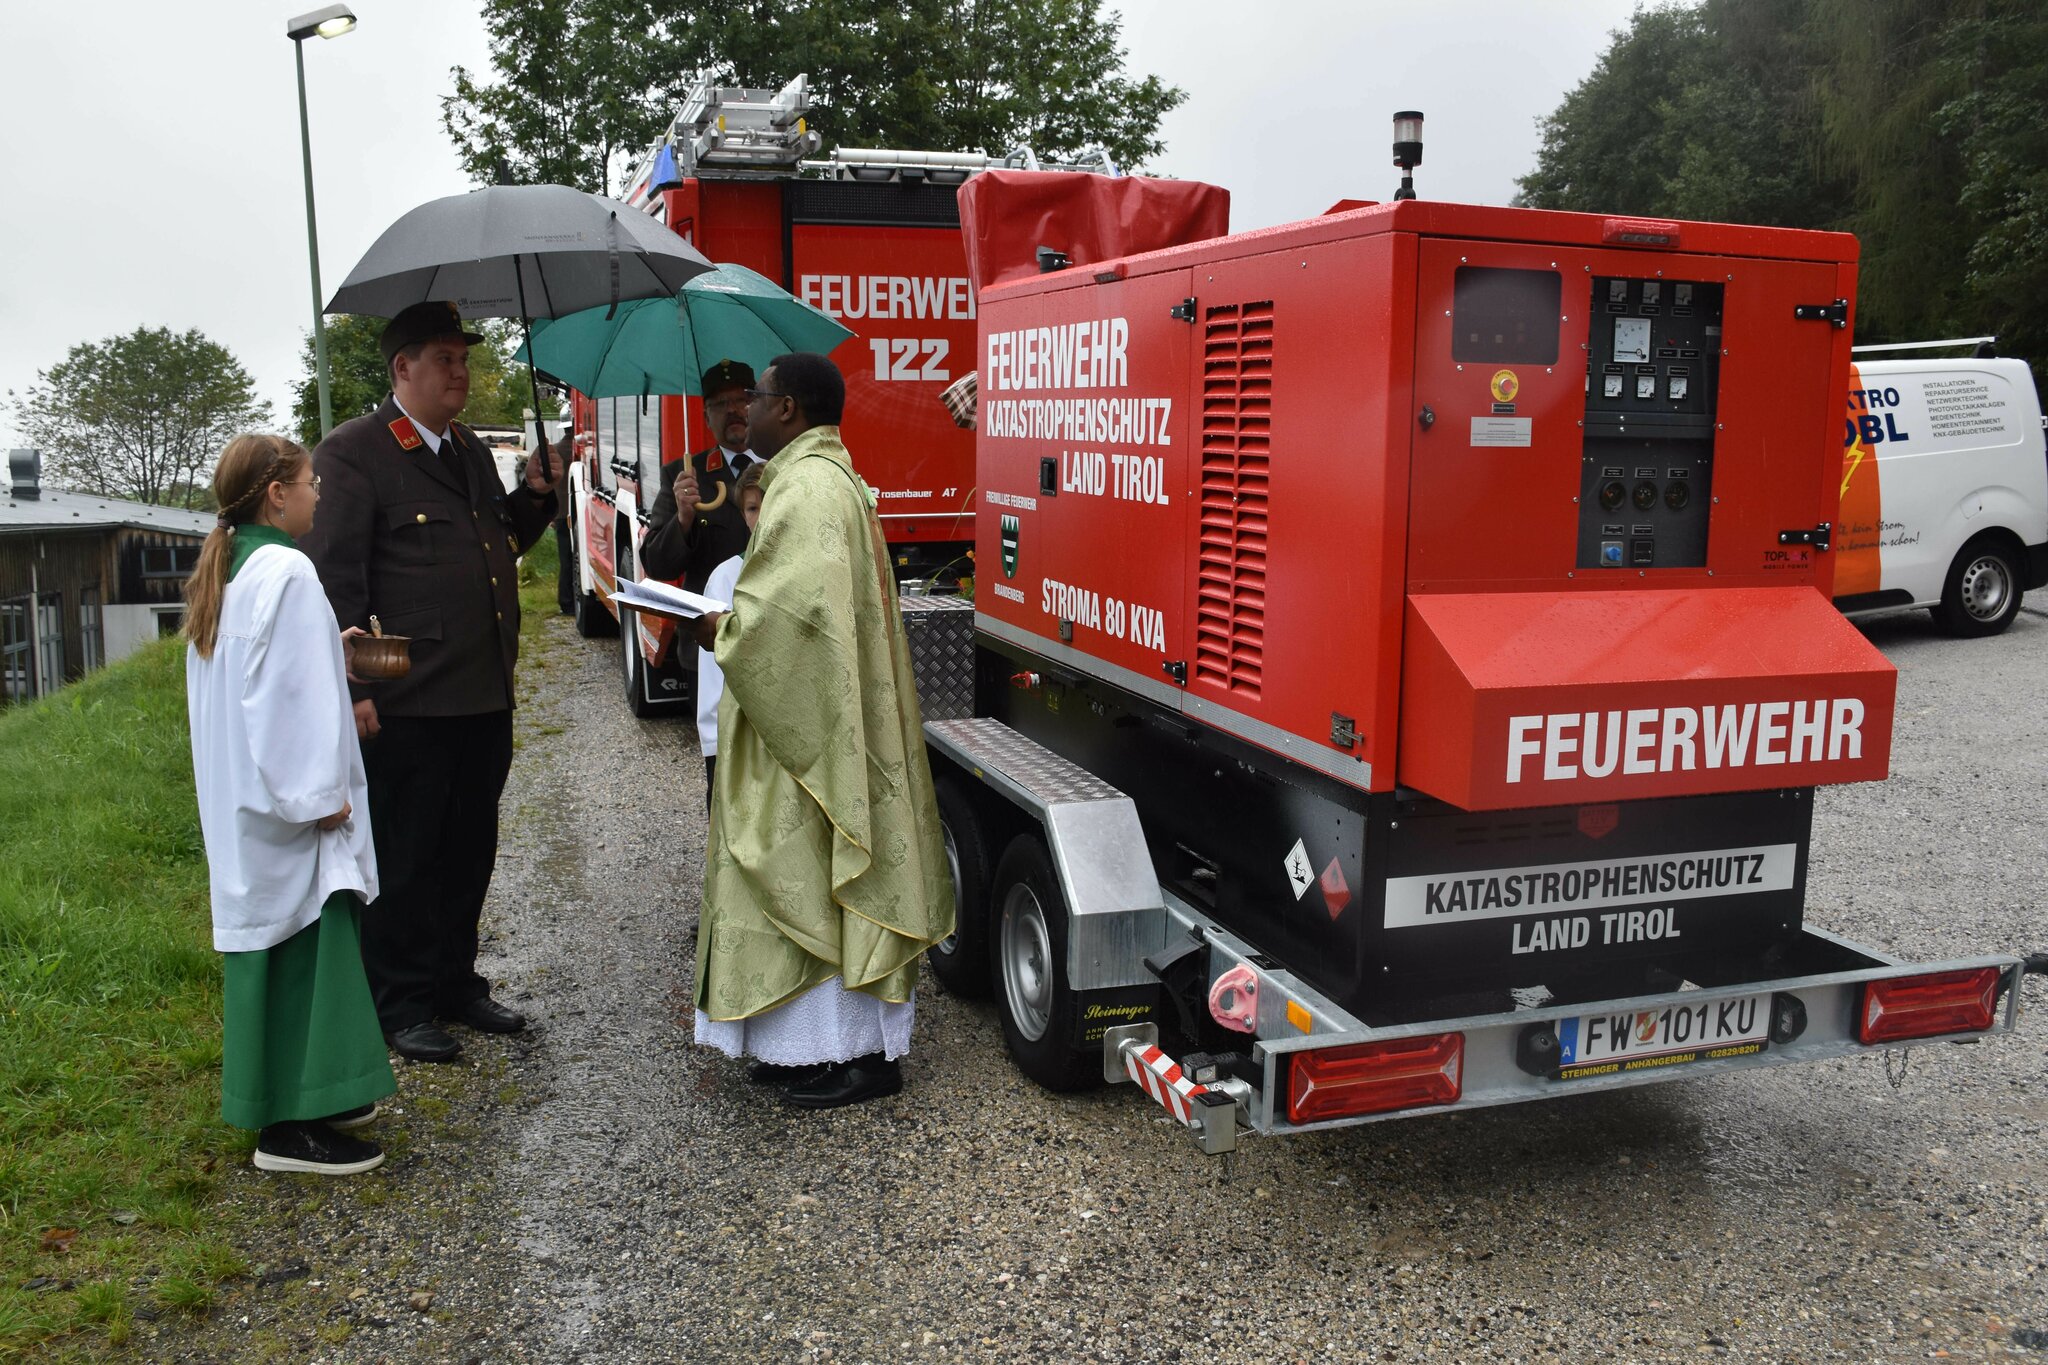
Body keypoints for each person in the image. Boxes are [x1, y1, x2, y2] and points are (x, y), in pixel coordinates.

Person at [687, 353, 954, 1109]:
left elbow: (793, 625)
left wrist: (722, 631)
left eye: (758, 399)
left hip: (809, 732)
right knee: (814, 869)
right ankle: (805, 1049)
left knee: (809, 866)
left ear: (791, 409)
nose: (747, 412)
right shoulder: (825, 478)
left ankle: (856, 1056)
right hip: (821, 715)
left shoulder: (804, 489)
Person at [299, 300, 563, 1063]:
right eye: (444, 357)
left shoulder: (471, 452)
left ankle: (455, 980)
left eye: (464, 357)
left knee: (469, 846)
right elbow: (336, 579)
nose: (460, 370)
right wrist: (354, 691)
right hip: (409, 699)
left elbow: (499, 542)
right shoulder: (355, 452)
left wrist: (537, 497)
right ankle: (402, 1001)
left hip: (482, 691)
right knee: (407, 855)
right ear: (401, 369)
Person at [184, 433, 396, 1175]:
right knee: (307, 947)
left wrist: (327, 654)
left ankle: (307, 1091)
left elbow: (257, 681)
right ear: (276, 492)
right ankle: (291, 1125)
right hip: (288, 805)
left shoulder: (233, 571)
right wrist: (319, 796)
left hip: (243, 799)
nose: (318, 494)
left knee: (269, 943)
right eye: (309, 482)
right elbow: (285, 702)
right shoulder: (290, 570)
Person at [639, 360, 759, 593]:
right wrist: (683, 519)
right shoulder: (683, 476)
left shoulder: (783, 466)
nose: (732, 410)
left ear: (756, 407)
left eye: (741, 401)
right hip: (709, 624)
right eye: (721, 404)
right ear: (706, 417)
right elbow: (657, 566)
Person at [694, 462, 765, 807]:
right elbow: (712, 672)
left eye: (770, 504)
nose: (762, 516)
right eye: (752, 508)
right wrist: (713, 742)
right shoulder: (726, 576)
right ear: (742, 514)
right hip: (733, 735)